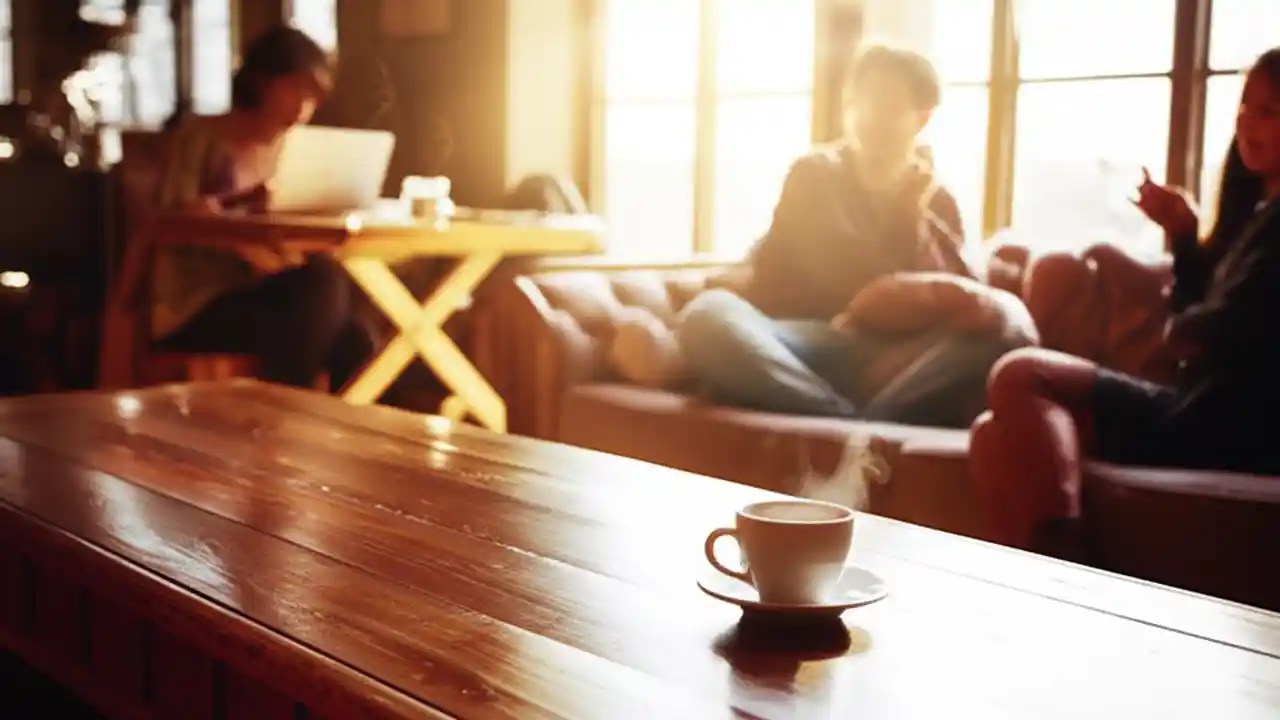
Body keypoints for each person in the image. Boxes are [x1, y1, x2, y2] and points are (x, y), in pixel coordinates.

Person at [970, 48, 1280, 549]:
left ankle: (1061, 566)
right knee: (995, 436)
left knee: (1021, 372)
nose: (1247, 122)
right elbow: (1202, 320)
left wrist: (1181, 333)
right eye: (1245, 106)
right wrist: (1185, 237)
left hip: (1228, 427)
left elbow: (1217, 331)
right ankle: (1044, 578)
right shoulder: (1258, 217)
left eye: (1267, 111)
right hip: (1201, 410)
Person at [676, 44, 1011, 427]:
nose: (869, 116)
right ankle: (846, 425)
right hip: (801, 338)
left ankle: (860, 418)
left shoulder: (939, 200)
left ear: (921, 118)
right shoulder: (815, 173)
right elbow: (848, 275)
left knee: (999, 339)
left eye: (887, 105)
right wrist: (907, 217)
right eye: (861, 102)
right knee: (707, 317)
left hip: (893, 352)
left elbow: (949, 291)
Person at [151, 26, 373, 390]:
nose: (302, 106)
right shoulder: (202, 137)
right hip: (199, 300)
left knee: (357, 339)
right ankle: (285, 411)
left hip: (270, 287)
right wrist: (241, 205)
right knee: (321, 289)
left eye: (312, 96)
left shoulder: (293, 149)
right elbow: (173, 217)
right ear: (261, 81)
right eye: (293, 89)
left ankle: (310, 417)